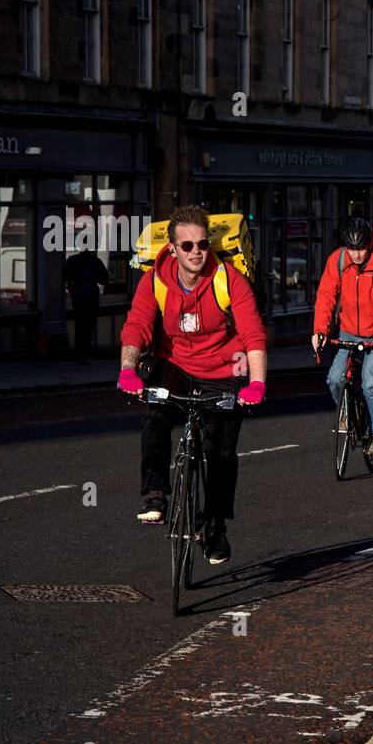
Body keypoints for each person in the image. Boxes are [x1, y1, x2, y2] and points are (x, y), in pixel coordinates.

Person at [117, 204, 268, 565]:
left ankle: (214, 527)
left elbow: (252, 334)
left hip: (224, 370)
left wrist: (257, 383)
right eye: (187, 246)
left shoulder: (229, 279)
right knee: (154, 417)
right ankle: (155, 493)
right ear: (172, 249)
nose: (196, 252)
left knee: (221, 453)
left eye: (202, 244)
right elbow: (137, 325)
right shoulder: (155, 280)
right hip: (175, 367)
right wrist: (128, 368)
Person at [312, 217, 373, 457]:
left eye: (361, 248)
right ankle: (346, 413)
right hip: (348, 332)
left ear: (370, 244)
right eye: (352, 249)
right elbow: (325, 298)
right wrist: (320, 331)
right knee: (334, 379)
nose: (357, 254)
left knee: (369, 382)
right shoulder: (338, 260)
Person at [63, 247, 110, 364]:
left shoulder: (73, 261)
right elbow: (104, 279)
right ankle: (84, 352)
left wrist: (71, 288)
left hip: (79, 297)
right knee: (88, 326)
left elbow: (65, 277)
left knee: (81, 325)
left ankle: (81, 352)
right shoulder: (94, 261)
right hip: (89, 298)